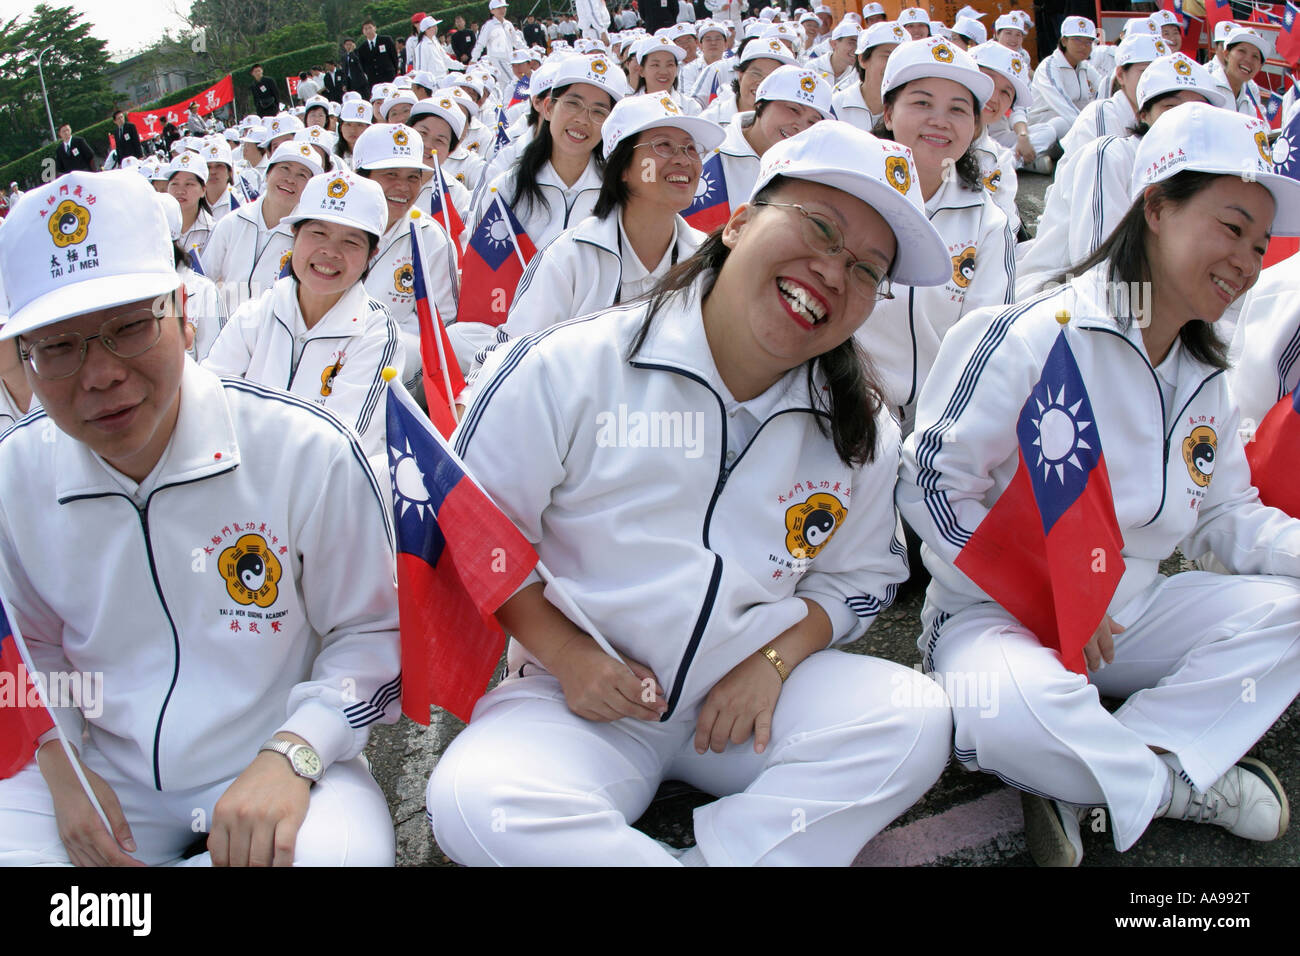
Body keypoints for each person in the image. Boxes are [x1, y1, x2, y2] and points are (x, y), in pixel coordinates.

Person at [428, 121, 954, 867]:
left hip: (743, 703)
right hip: (581, 700)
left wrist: (771, 661)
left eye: (869, 269)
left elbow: (863, 580)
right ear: (737, 222)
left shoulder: (862, 425)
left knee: (914, 720)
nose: (836, 273)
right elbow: (469, 533)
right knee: (477, 804)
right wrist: (569, 655)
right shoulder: (570, 366)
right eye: (819, 228)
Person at [900, 102, 1300, 867]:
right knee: (1011, 710)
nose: (1249, 261)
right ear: (1156, 207)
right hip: (1001, 617)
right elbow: (930, 481)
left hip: (1132, 613)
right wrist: (1044, 590)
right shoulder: (1032, 331)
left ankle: (1097, 766)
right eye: (1231, 226)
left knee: (1294, 612)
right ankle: (1176, 782)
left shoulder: (1203, 378)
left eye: (1260, 242)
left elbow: (1228, 519)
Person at [0, 169, 401, 867]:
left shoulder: (304, 450)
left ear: (182, 314)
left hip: (285, 762)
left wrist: (296, 748)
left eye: (127, 327)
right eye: (59, 347)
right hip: (101, 771)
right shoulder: (14, 474)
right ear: (25, 360)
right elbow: (32, 647)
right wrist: (62, 768)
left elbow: (371, 633)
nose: (98, 375)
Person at [489, 94, 724, 348]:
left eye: (691, 148)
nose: (683, 160)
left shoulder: (708, 259)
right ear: (622, 167)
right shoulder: (569, 258)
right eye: (663, 146)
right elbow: (509, 357)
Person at [865, 35, 1014, 436]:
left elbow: (986, 343)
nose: (940, 120)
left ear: (975, 127)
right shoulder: (850, 195)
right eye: (922, 103)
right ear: (889, 113)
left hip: (940, 424)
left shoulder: (988, 222)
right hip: (839, 409)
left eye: (958, 109)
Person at [203, 169, 402, 462]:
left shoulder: (377, 333)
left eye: (351, 242)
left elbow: (342, 444)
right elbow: (208, 401)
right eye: (318, 233)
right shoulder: (258, 312)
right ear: (294, 235)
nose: (330, 252)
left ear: (371, 254)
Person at [1015, 53, 1227, 299]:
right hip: (1061, 292)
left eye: (1196, 112)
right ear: (1143, 115)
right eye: (1170, 107)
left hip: (1140, 300)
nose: (1182, 120)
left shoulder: (1194, 178)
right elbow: (1100, 271)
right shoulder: (1110, 156)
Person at [472, 54, 626, 251]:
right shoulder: (507, 188)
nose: (582, 120)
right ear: (548, 108)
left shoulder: (619, 194)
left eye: (598, 112)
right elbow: (483, 265)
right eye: (573, 104)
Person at [351, 122, 459, 387]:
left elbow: (441, 325)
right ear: (363, 176)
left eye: (413, 177)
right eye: (391, 174)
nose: (403, 187)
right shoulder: (330, 228)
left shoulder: (430, 238)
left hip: (394, 374)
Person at [203, 141, 323, 308]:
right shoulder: (232, 222)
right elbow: (203, 280)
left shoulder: (307, 236)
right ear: (268, 174)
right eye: (284, 168)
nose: (290, 179)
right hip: (226, 328)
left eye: (302, 175)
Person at [1059, 33, 1167, 159]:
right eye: (1145, 72)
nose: (1157, 82)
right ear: (1121, 75)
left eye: (1164, 74)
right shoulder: (1102, 116)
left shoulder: (1160, 115)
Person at [1029, 15, 1101, 151]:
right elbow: (1061, 103)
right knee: (1060, 123)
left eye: (1088, 42)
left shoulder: (1086, 67)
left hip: (1073, 125)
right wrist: (1088, 127)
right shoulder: (1049, 66)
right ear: (1064, 41)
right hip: (1044, 124)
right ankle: (1022, 157)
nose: (1083, 46)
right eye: (1077, 40)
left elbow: (1102, 90)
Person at [831, 20, 903, 133]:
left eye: (901, 58)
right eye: (887, 56)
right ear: (862, 60)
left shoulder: (912, 109)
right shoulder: (835, 108)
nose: (895, 65)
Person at [165, 151, 215, 265]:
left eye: (189, 184)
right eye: (174, 184)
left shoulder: (213, 230)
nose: (180, 191)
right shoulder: (158, 227)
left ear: (203, 190)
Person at [358, 19, 400, 95]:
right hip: (373, 79)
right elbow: (363, 65)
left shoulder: (386, 40)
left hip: (388, 76)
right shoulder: (362, 48)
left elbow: (394, 57)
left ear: (375, 28)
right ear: (363, 32)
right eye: (365, 29)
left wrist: (394, 70)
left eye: (370, 28)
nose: (368, 31)